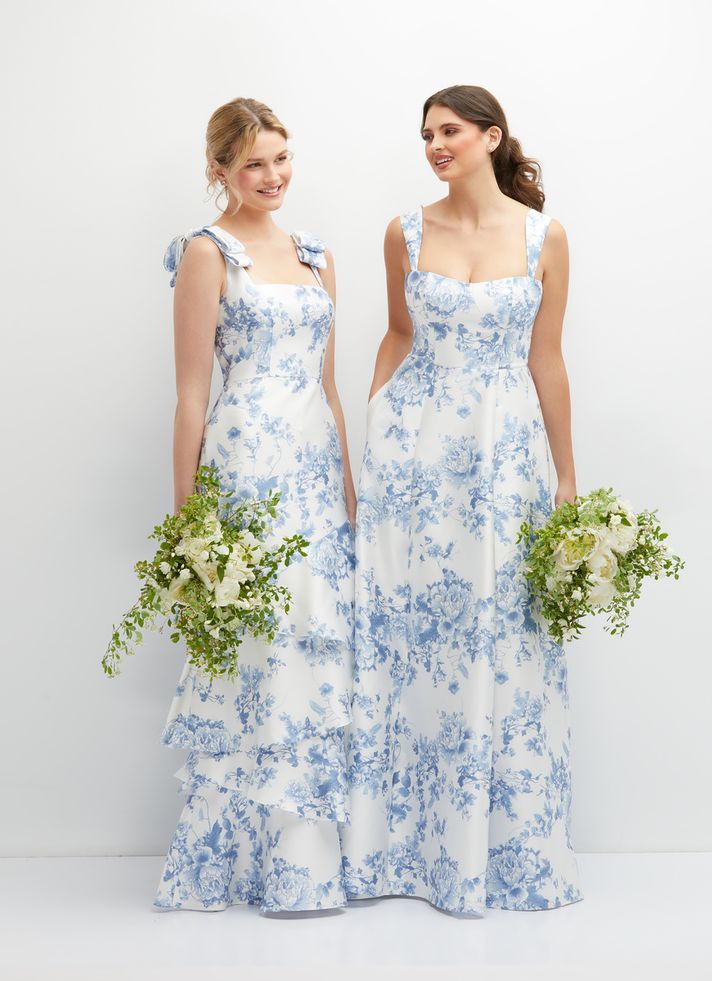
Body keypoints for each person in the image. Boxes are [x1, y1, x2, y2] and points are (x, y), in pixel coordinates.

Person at [339, 84, 584, 913]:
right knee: (416, 638)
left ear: (491, 136)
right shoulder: (404, 231)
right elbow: (398, 335)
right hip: (416, 452)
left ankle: (498, 854)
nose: (435, 145)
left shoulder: (545, 236)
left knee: (500, 632)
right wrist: (373, 436)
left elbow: (546, 359)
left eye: (449, 132)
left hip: (503, 452)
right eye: (426, 135)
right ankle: (405, 852)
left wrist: (567, 475)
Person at [153, 97, 356, 913]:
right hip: (243, 466)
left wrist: (346, 482)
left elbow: (330, 385)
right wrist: (186, 516)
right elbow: (191, 393)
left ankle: (305, 863)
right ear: (219, 173)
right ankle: (232, 858)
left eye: (281, 159)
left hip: (312, 469)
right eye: (253, 165)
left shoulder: (317, 256)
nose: (272, 177)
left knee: (311, 641)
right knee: (253, 647)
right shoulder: (210, 254)